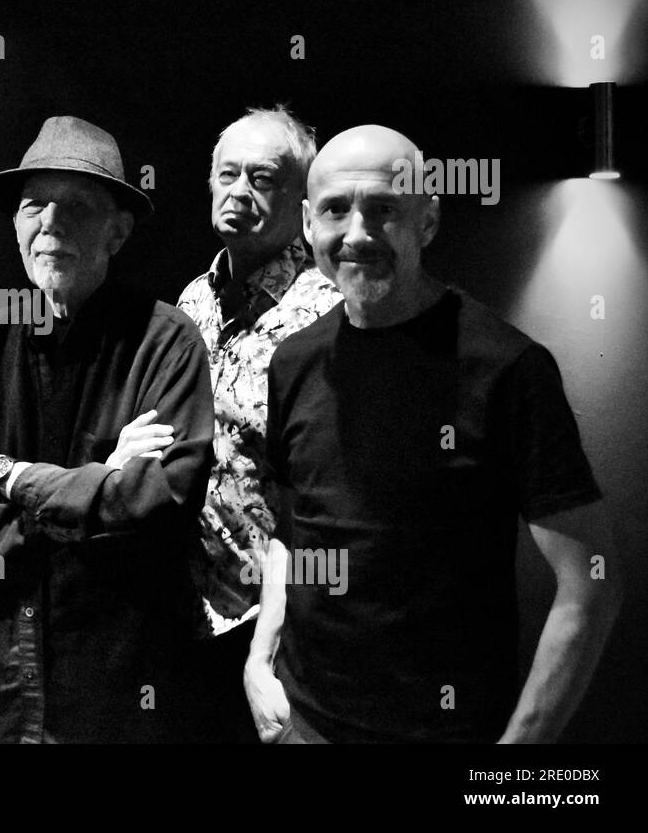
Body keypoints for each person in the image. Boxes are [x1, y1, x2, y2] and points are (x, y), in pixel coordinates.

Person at [244, 125, 623, 743]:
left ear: (427, 220)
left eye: (384, 209)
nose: (359, 233)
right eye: (337, 210)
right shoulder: (294, 361)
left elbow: (593, 581)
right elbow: (295, 530)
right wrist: (260, 660)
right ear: (309, 224)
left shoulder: (507, 368)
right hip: (305, 725)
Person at [0, 115, 214, 743]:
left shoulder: (165, 340)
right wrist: (96, 487)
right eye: (33, 206)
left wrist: (5, 476)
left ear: (119, 231)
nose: (50, 224)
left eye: (75, 205)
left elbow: (159, 502)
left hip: (119, 679)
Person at [176, 105, 340, 743]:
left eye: (264, 178)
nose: (239, 192)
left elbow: (325, 486)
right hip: (191, 608)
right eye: (227, 174)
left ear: (301, 199)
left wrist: (271, 641)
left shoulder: (328, 311)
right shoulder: (192, 300)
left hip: (286, 620)